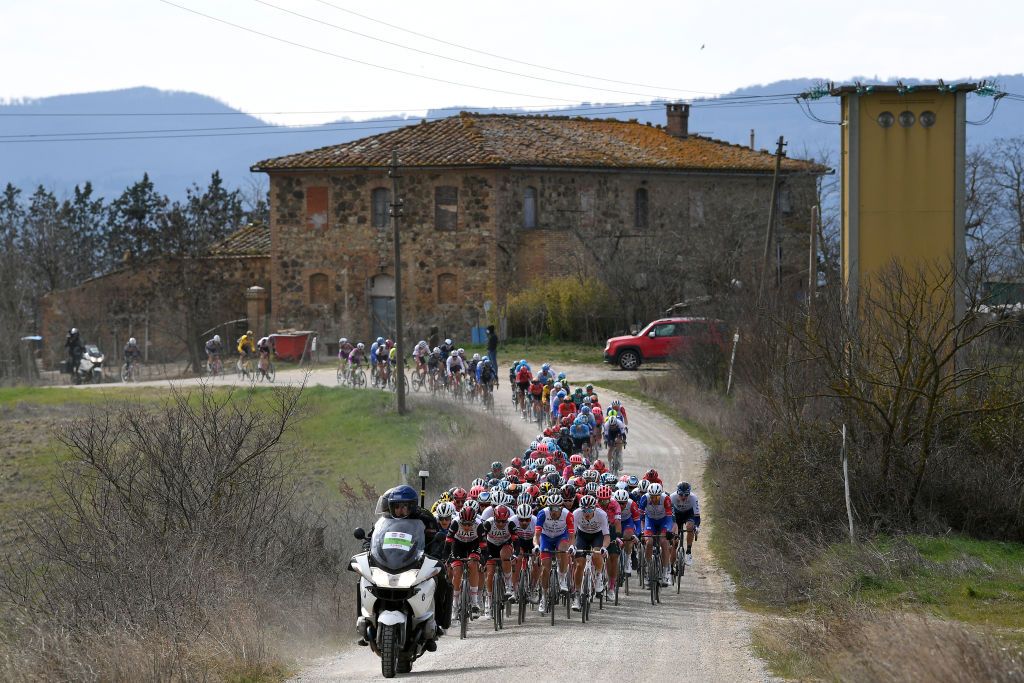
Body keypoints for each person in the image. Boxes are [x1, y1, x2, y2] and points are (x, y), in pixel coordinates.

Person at [375, 485, 452, 636]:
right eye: (396, 507)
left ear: (411, 506)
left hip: (417, 561)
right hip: (390, 562)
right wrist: (367, 548)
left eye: (404, 507)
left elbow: (437, 541)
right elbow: (374, 538)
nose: (400, 511)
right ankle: (366, 617)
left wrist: (433, 556)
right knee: (364, 578)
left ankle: (438, 621)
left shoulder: (425, 518)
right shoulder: (385, 519)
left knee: (441, 575)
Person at [533, 492, 575, 614]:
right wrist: (536, 545)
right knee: (545, 568)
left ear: (561, 507)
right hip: (546, 538)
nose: (553, 511)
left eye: (556, 508)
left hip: (561, 537)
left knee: (563, 549)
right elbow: (537, 535)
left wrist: (572, 546)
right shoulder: (542, 514)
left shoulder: (568, 515)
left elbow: (572, 535)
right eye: (551, 508)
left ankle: (562, 577)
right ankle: (544, 597)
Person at [570, 494, 610, 610]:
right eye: (584, 510)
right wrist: (572, 546)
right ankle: (577, 595)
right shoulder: (576, 513)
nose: (586, 513)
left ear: (594, 508)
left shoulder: (601, 514)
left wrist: (604, 547)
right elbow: (572, 534)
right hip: (582, 536)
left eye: (589, 510)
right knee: (579, 564)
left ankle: (598, 575)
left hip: (597, 536)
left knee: (597, 553)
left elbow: (606, 535)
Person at [639, 483, 674, 587]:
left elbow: (669, 517)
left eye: (657, 497)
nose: (654, 499)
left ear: (661, 494)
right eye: (652, 497)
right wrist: (641, 531)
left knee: (664, 542)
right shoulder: (644, 498)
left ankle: (665, 573)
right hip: (650, 521)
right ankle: (649, 569)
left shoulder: (666, 499)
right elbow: (640, 517)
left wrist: (668, 530)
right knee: (649, 542)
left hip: (664, 521)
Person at [670, 482, 701, 567]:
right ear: (677, 492)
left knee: (690, 526)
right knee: (674, 541)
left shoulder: (693, 498)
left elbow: (697, 516)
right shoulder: (672, 497)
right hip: (676, 515)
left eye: (686, 495)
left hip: (689, 514)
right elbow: (669, 516)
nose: (683, 497)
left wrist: (696, 526)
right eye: (681, 494)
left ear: (689, 493)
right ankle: (671, 566)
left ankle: (688, 552)